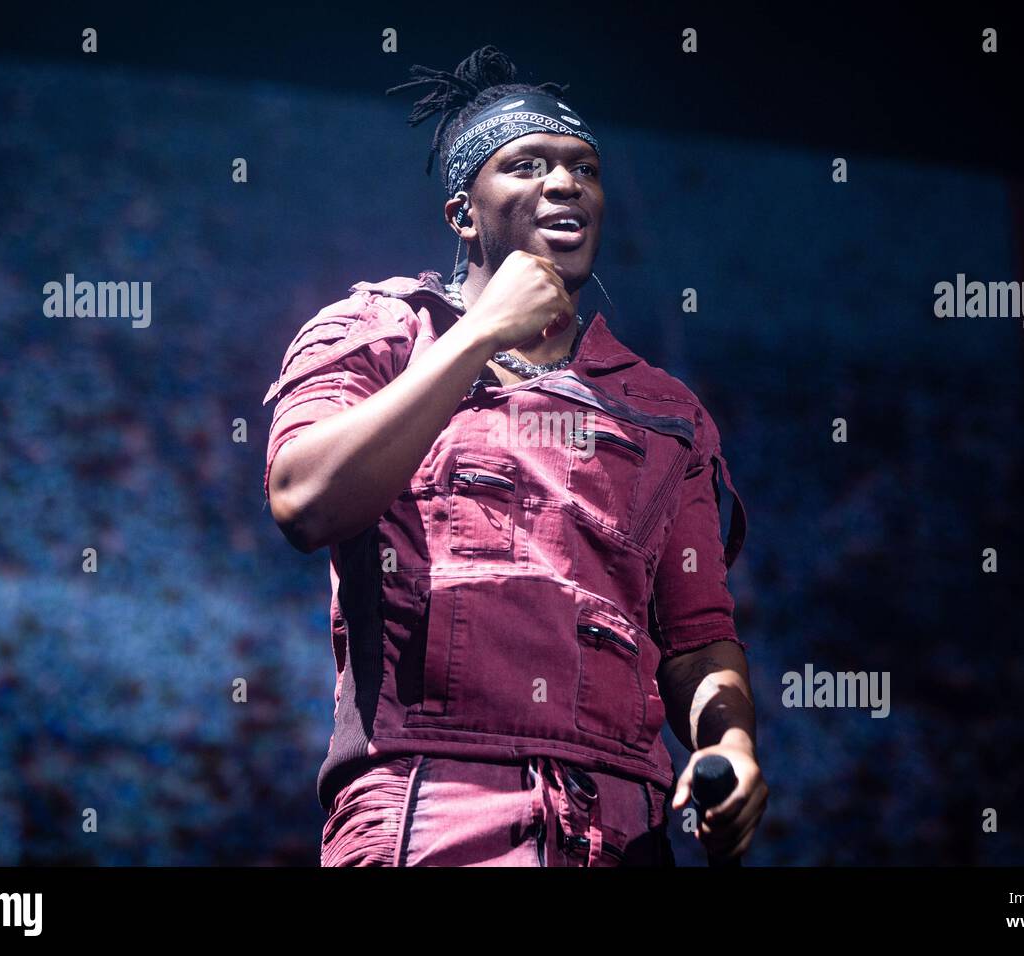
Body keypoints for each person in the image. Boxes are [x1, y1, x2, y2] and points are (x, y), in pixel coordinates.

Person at [263, 45, 768, 866]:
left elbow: (697, 641)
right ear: (463, 214)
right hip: (428, 809)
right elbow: (304, 501)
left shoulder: (666, 412)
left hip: (622, 828)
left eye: (584, 169)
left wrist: (731, 742)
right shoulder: (376, 334)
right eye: (527, 164)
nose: (565, 183)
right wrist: (482, 334)